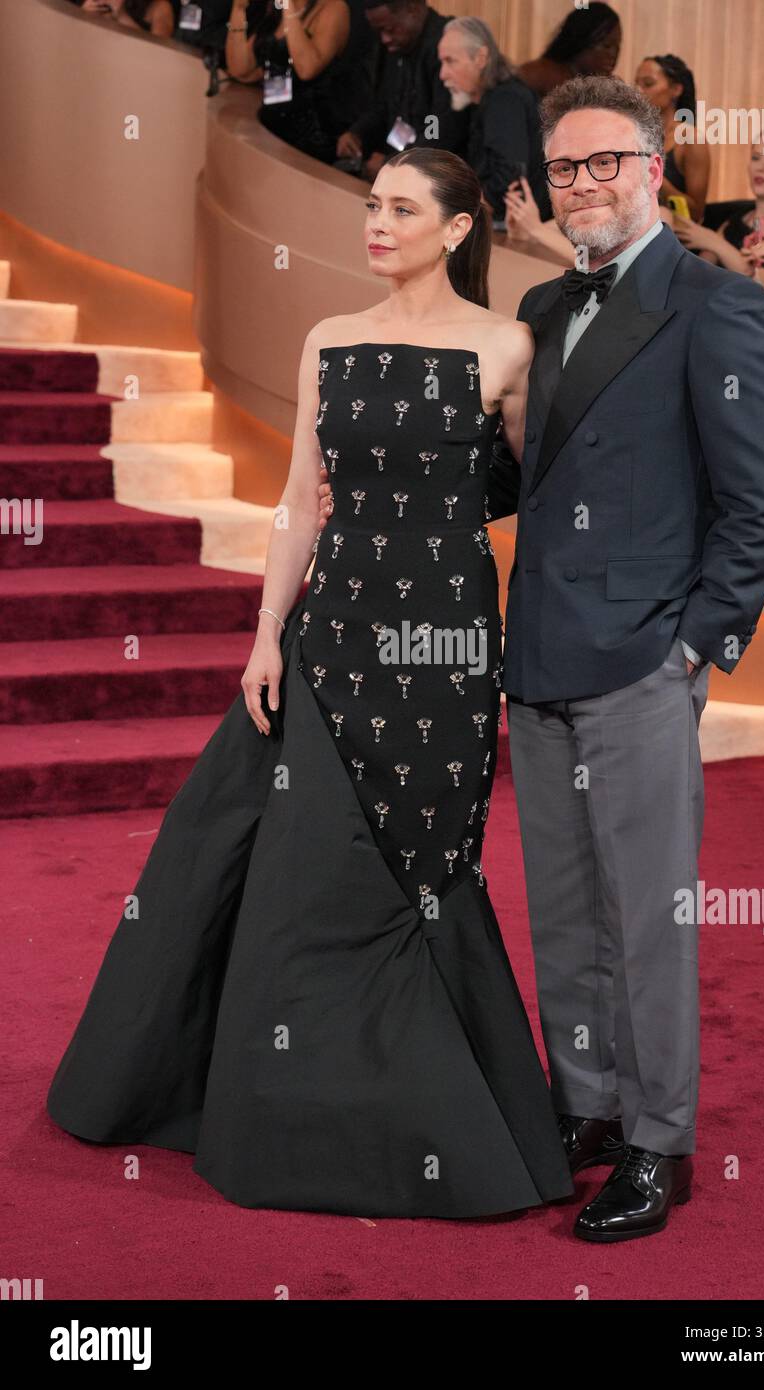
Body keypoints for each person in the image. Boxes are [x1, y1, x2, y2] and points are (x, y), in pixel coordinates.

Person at [46, 148, 577, 1220]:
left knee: (424, 863)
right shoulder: (328, 340)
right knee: (300, 873)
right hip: (335, 632)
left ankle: (433, 1116)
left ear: (458, 228)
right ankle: (294, 1114)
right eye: (368, 206)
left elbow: (535, 484)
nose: (373, 224)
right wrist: (265, 632)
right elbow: (297, 498)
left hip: (444, 648)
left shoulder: (508, 344)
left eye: (397, 208)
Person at [321, 75, 764, 1241]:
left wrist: (694, 650)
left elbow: (753, 505)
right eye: (563, 169)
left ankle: (657, 1141)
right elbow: (512, 477)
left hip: (641, 661)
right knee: (565, 913)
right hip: (530, 654)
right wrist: (393, 484)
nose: (582, 186)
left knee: (646, 918)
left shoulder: (709, 305)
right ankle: (585, 1106)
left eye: (603, 164)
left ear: (651, 167)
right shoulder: (534, 307)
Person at [336, 0, 470, 181]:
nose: (385, 39)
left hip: (437, 175)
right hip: (403, 160)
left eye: (390, 29)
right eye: (379, 32)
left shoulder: (445, 49)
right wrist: (358, 132)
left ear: (413, 10)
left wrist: (391, 164)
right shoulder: (400, 45)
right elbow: (385, 103)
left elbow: (439, 129)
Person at [673, 126, 764, 290]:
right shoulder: (736, 220)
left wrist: (716, 244)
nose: (761, 167)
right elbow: (697, 276)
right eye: (756, 158)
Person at [438, 17, 550, 226]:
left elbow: (511, 175)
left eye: (450, 61)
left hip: (513, 229)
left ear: (480, 58)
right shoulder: (484, 99)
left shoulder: (504, 100)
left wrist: (466, 205)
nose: (443, 74)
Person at [226, 0, 364, 165]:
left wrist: (288, 6)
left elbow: (306, 69)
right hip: (271, 127)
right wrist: (238, 9)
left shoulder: (333, 9)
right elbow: (239, 68)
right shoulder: (277, 10)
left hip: (311, 137)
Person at [634, 54, 709, 221]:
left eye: (648, 84)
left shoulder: (691, 139)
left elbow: (696, 214)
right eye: (636, 84)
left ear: (676, 89)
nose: (638, 91)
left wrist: (650, 173)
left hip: (675, 234)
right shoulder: (635, 134)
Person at [516, 2, 621, 98]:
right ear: (581, 40)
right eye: (606, 46)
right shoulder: (538, 75)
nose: (613, 54)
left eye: (617, 47)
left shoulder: (609, 87)